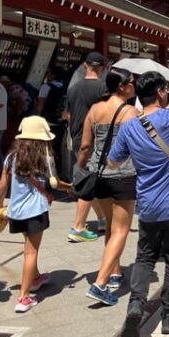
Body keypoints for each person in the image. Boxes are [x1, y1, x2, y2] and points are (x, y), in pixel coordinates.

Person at [107, 71, 169, 337]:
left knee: (145, 257)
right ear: (160, 92)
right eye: (167, 90)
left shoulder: (129, 127)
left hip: (147, 204)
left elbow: (114, 163)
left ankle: (136, 305)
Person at [0, 116, 72, 313]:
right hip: (35, 211)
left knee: (28, 245)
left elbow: (3, 184)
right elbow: (54, 182)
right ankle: (24, 297)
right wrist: (70, 187)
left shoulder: (11, 157)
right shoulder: (44, 157)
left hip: (16, 211)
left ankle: (36, 277)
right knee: (31, 252)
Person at [78, 68, 139, 306]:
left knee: (110, 228)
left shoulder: (94, 110)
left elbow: (85, 145)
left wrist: (81, 167)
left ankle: (114, 273)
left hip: (99, 173)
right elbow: (137, 146)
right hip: (123, 174)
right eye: (132, 82)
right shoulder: (131, 113)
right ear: (122, 86)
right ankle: (101, 283)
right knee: (121, 230)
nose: (134, 86)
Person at [65, 52, 107, 242]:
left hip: (76, 138)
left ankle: (102, 219)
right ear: (103, 68)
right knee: (89, 182)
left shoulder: (73, 89)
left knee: (89, 178)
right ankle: (78, 227)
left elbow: (68, 114)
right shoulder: (104, 88)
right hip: (95, 139)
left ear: (85, 66)